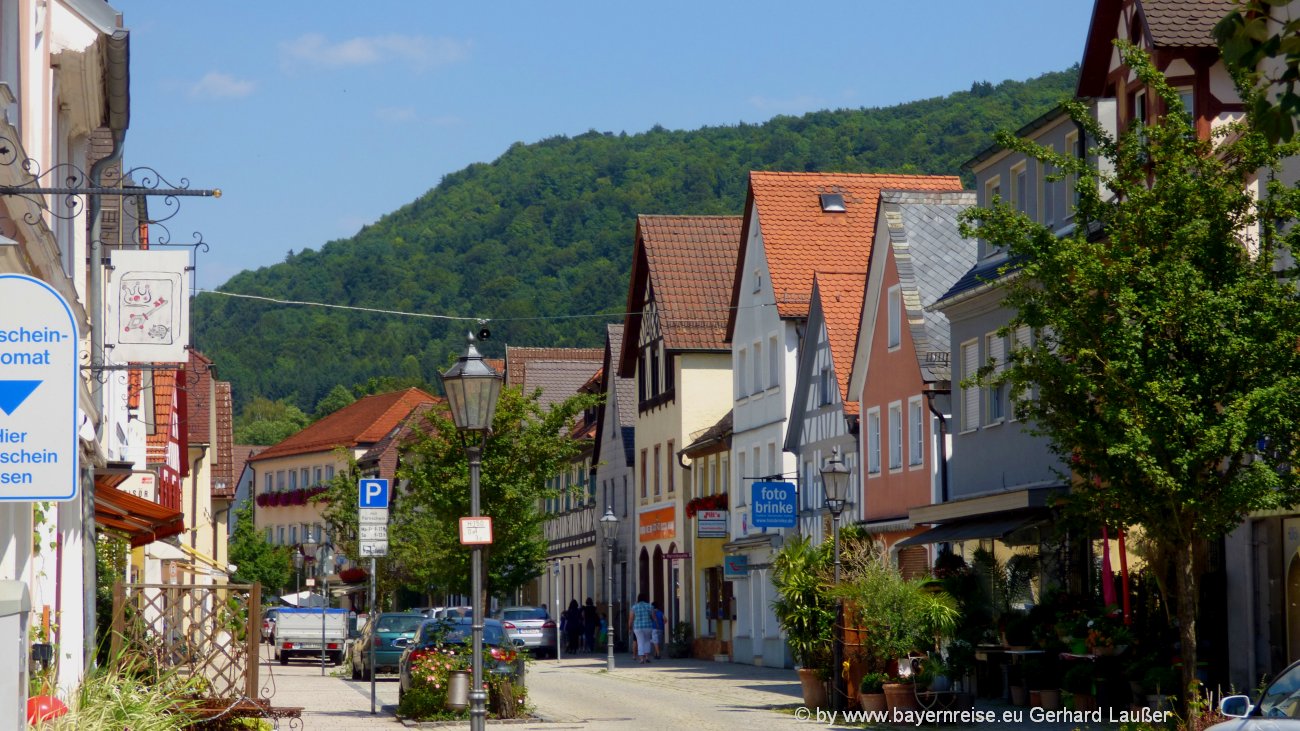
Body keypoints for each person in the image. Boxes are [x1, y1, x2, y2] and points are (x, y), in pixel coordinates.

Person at [628, 593, 655, 664]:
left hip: (638, 627)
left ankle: (641, 659)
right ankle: (647, 657)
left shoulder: (634, 607)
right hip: (648, 626)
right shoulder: (650, 606)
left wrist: (630, 628)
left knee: (640, 642)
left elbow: (631, 619)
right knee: (647, 641)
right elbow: (653, 617)